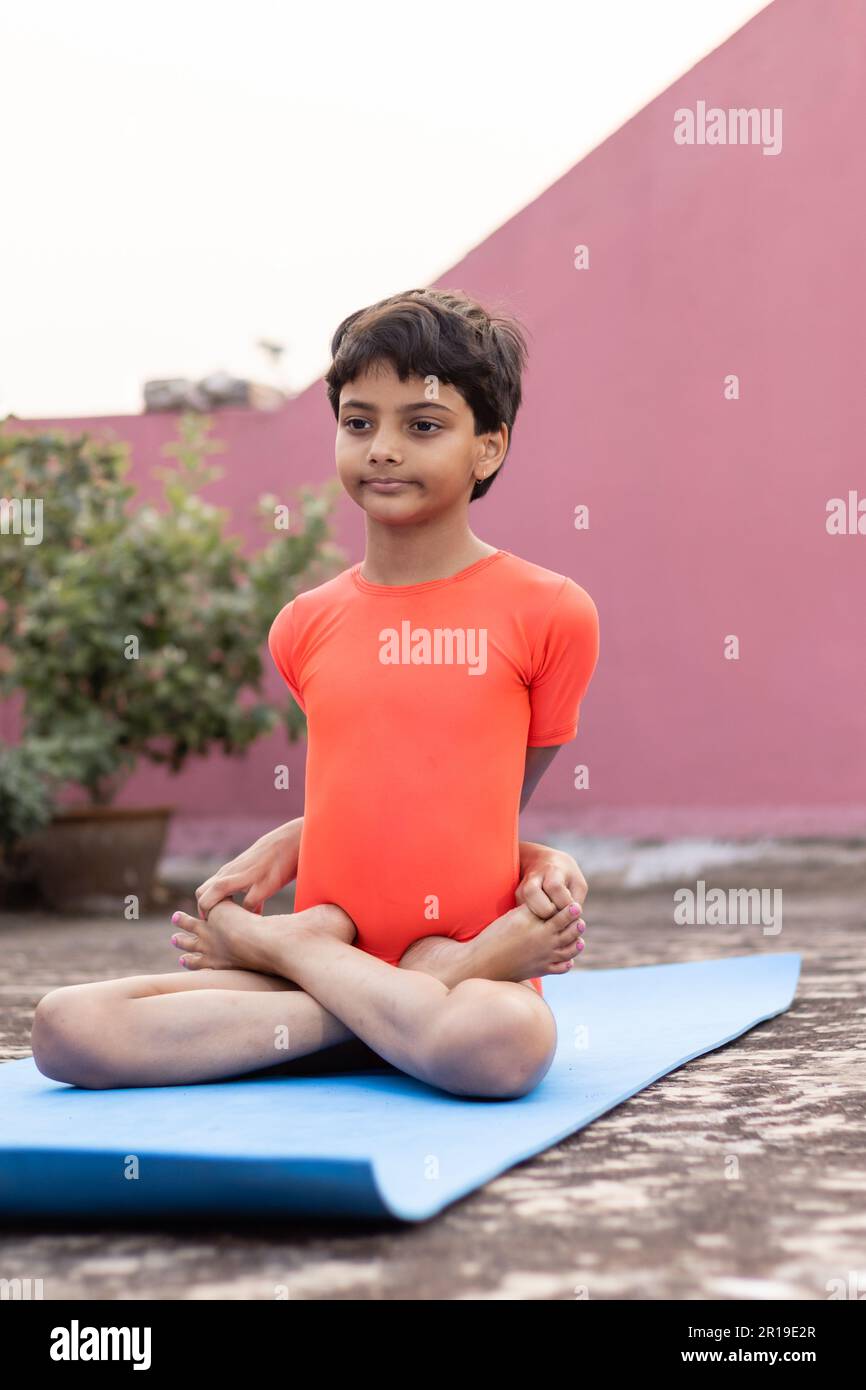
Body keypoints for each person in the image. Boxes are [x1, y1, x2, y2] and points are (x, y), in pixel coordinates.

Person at [31, 287, 600, 1099]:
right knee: (67, 1028)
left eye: (424, 425)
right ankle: (382, 1006)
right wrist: (303, 839)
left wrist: (537, 871)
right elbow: (374, 777)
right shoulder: (305, 624)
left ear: (489, 447)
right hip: (349, 960)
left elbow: (493, 798)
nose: (383, 448)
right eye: (359, 422)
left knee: (498, 1045)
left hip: (476, 959)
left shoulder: (550, 612)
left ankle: (331, 964)